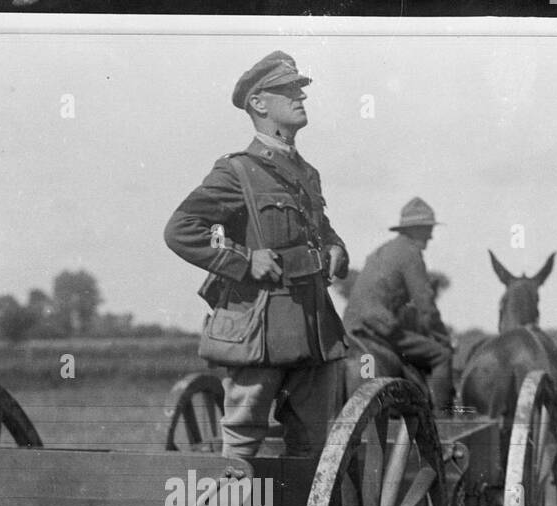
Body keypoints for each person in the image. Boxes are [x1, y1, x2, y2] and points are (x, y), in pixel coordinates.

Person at [164, 51, 350, 460]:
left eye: (301, 89)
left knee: (312, 452)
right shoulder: (237, 171)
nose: (301, 96)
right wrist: (244, 261)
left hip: (315, 331)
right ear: (259, 104)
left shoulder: (307, 172)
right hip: (260, 331)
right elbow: (181, 229)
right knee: (242, 443)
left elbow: (320, 229)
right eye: (288, 90)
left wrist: (336, 247)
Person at [343, 198, 456, 410]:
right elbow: (426, 306)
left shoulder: (383, 251)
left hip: (351, 327)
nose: (431, 236)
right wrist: (443, 338)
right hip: (378, 327)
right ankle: (443, 422)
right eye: (428, 229)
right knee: (441, 356)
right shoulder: (410, 254)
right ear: (416, 230)